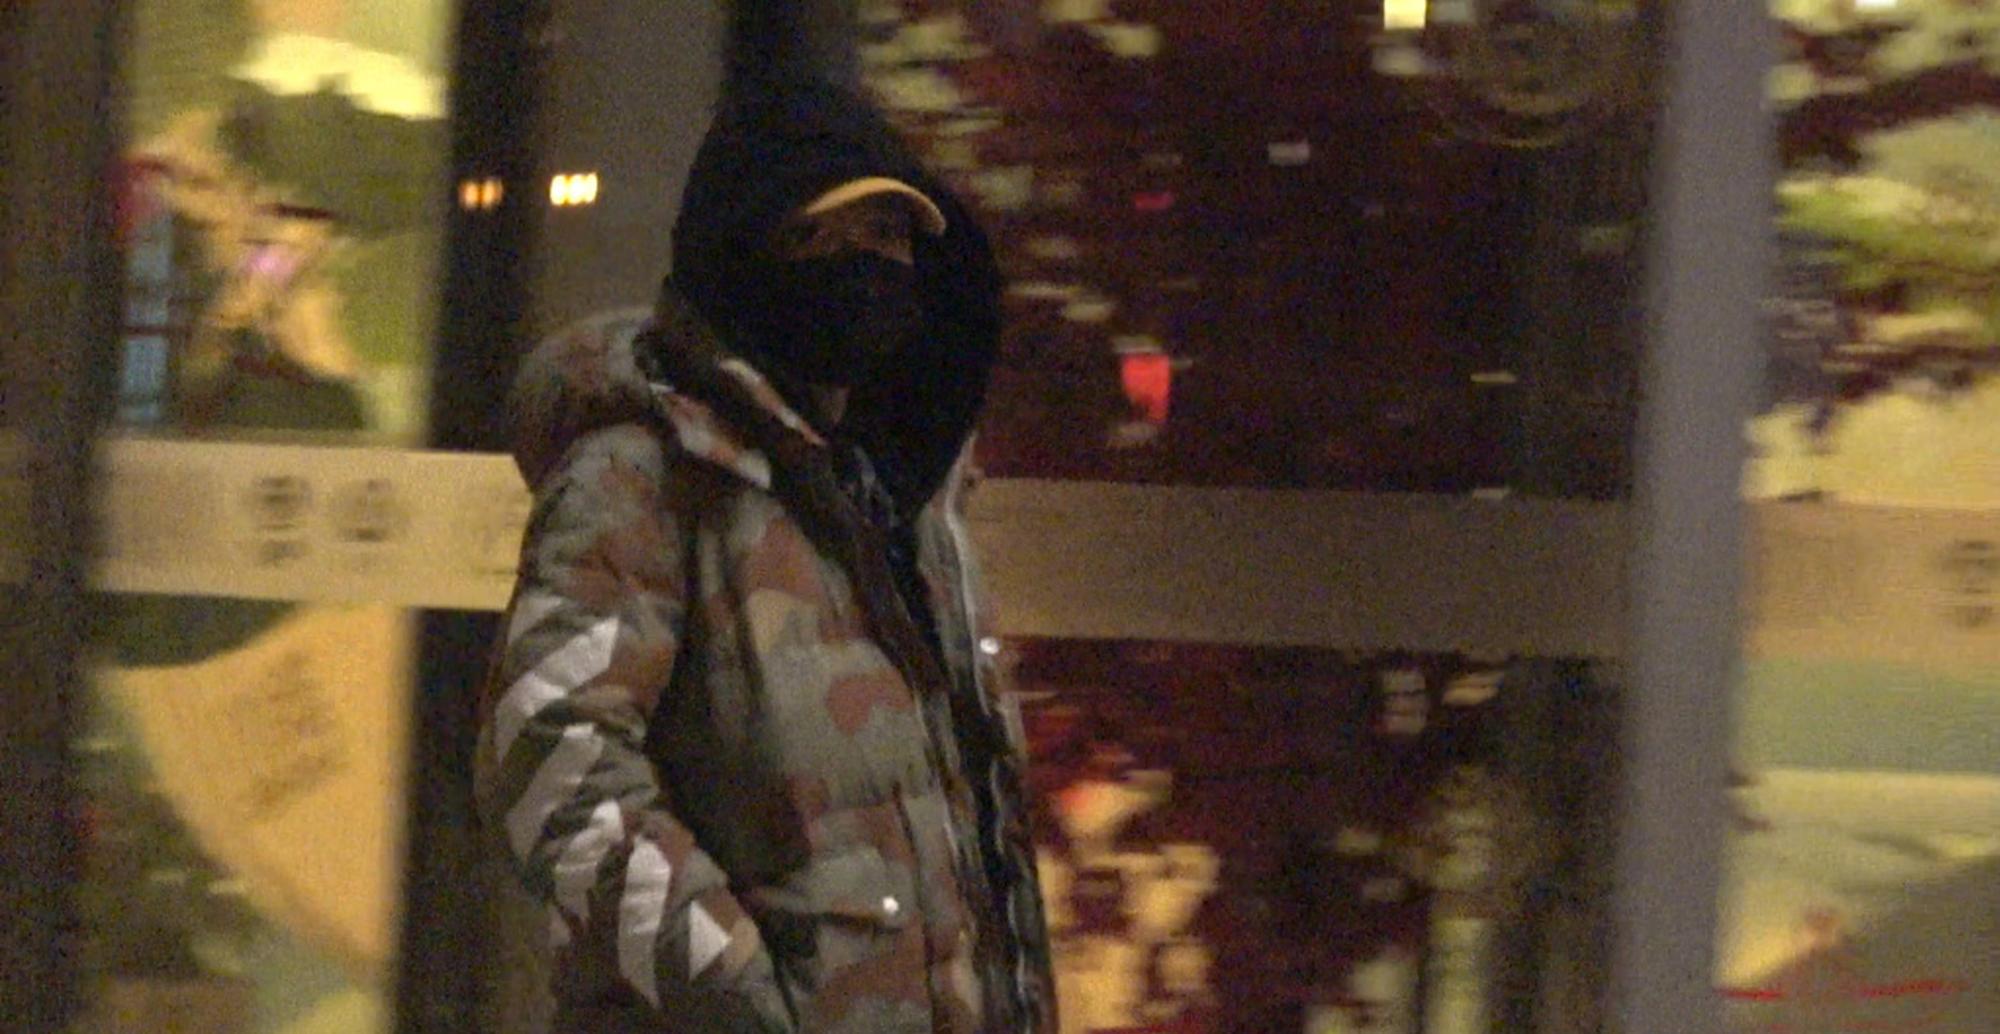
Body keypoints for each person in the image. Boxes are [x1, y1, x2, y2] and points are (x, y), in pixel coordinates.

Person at [475, 75, 1056, 1034]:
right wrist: (751, 1002)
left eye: (889, 235)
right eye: (826, 235)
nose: (868, 265)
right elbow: (553, 768)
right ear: (745, 249)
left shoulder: (899, 506)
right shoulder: (642, 476)